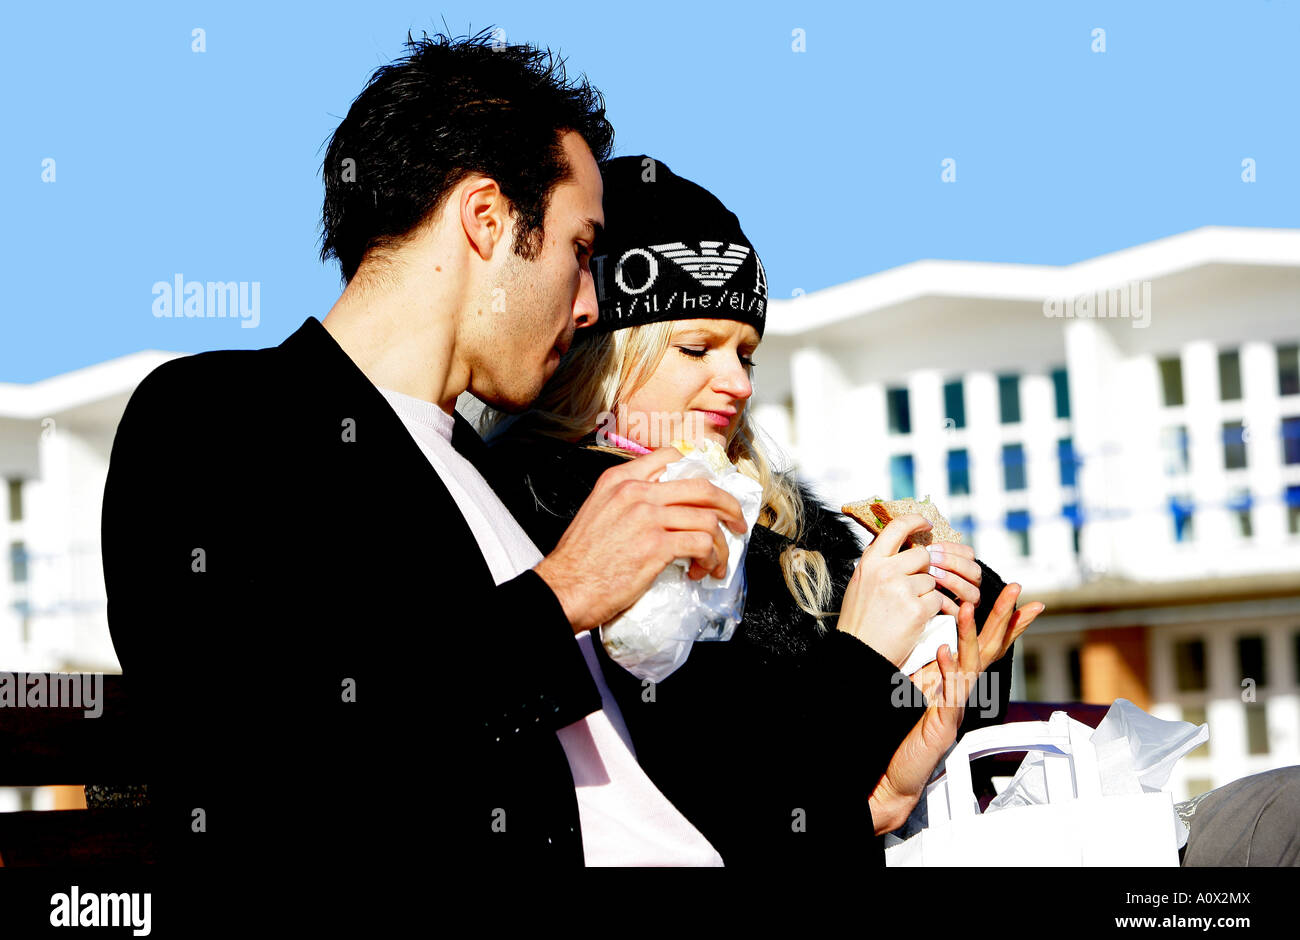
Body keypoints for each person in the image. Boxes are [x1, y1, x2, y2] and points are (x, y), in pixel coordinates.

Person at [100, 34, 753, 878]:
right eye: (580, 250)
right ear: (486, 219)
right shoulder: (219, 418)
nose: (590, 305)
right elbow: (264, 750)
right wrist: (560, 596)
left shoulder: (486, 472)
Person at [483, 155, 1044, 864]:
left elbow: (849, 781)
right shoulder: (554, 511)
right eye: (697, 348)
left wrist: (962, 653)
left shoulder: (782, 516)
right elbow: (731, 792)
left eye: (746, 355)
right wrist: (865, 655)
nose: (737, 383)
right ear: (603, 360)